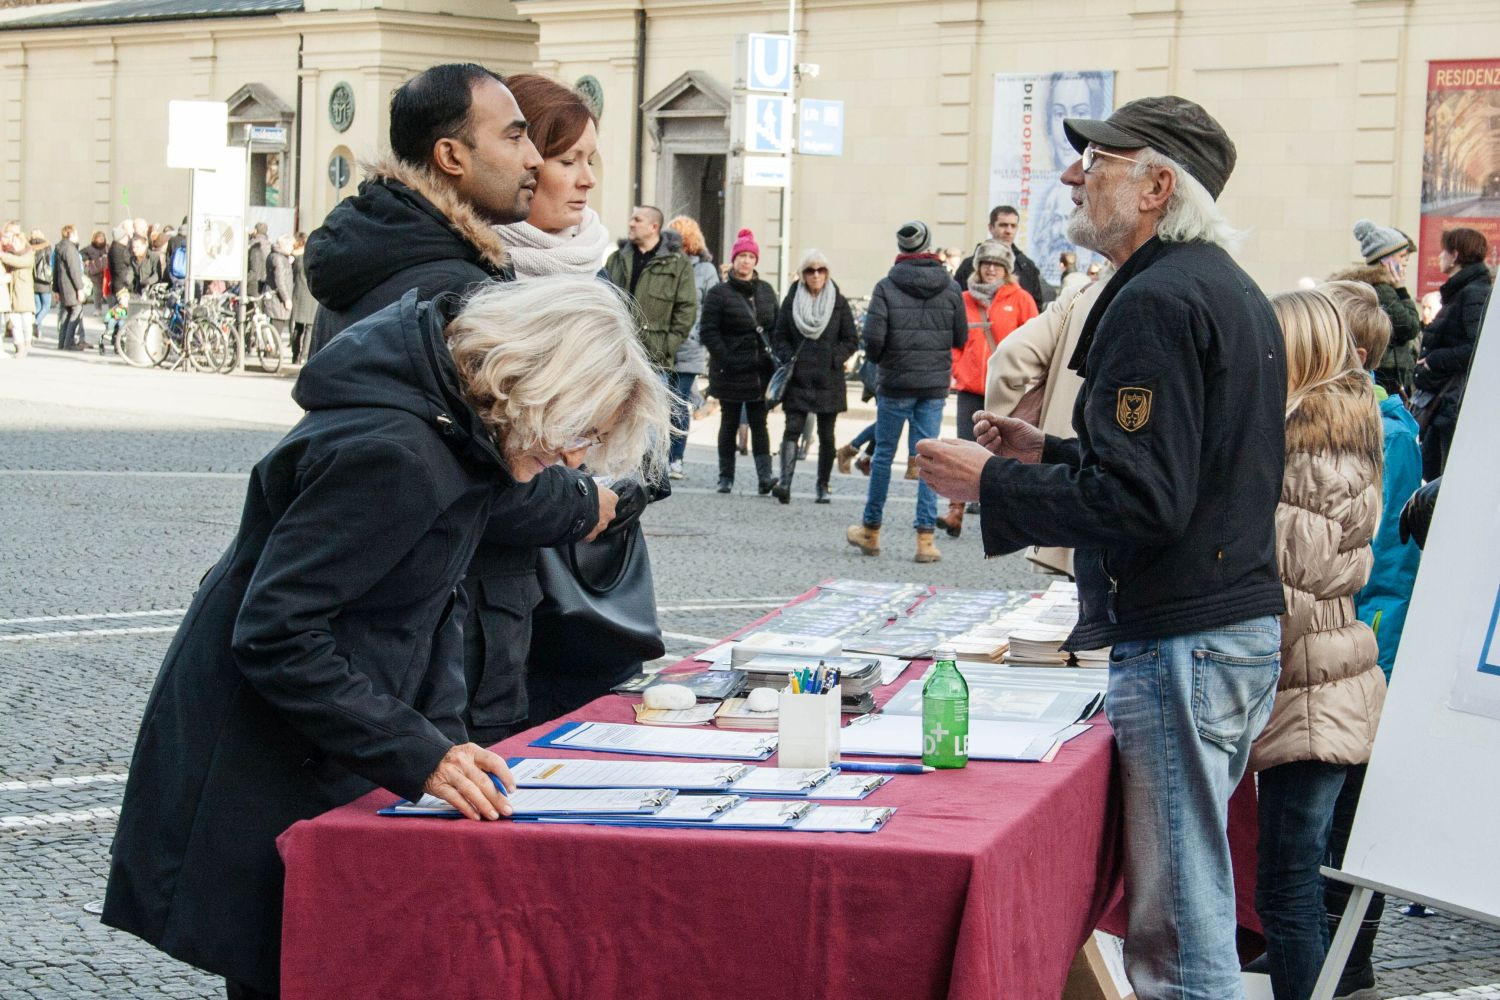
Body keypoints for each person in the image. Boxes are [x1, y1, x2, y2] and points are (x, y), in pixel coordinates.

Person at [102, 278, 670, 1000]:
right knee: (291, 967)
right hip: (264, 760)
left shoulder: (454, 430)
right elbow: (278, 633)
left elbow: (452, 576)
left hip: (327, 738)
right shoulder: (398, 451)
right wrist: (420, 753)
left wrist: (436, 740)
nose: (578, 459)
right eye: (582, 434)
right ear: (539, 389)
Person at [917, 96, 1286, 999]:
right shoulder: (1218, 284)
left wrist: (988, 484)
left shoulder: (1157, 300)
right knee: (1186, 903)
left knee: (1179, 925)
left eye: (1100, 161)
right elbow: (1181, 470)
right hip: (1227, 627)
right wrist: (1050, 452)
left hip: (1185, 636)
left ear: (1158, 185)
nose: (1074, 175)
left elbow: (1145, 500)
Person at [470, 72, 632, 745]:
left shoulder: (600, 271)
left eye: (590, 160)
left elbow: (644, 447)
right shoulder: (472, 282)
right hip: (493, 599)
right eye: (568, 160)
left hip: (579, 592)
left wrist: (610, 484)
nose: (584, 179)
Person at [1249, 288, 1385, 1000]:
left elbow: (1288, 591)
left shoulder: (1304, 452)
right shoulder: (1344, 436)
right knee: (1300, 886)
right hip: (1333, 682)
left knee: (1288, 894)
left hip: (1310, 697)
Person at [1318, 279, 1422, 997]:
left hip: (1369, 634)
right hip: (1353, 632)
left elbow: (1378, 555)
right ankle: (1327, 951)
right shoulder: (1359, 422)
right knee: (1328, 812)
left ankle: (1348, 961)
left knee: (1350, 810)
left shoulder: (1384, 432)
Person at [305, 63, 544, 356]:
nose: (535, 159)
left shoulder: (355, 256)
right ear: (450, 156)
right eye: (515, 137)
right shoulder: (463, 293)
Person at [848, 220, 966, 563]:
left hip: (896, 381)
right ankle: (925, 540)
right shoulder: (950, 287)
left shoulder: (886, 286)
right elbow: (960, 337)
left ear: (901, 249)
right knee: (927, 459)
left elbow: (872, 340)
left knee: (884, 454)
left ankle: (871, 531)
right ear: (930, 246)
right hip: (932, 384)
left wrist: (884, 359)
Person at [983, 268, 1107, 576]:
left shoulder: (1081, 296)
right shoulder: (1166, 290)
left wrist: (1005, 420)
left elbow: (1009, 359)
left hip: (1063, 461)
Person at [939, 239, 1037, 537]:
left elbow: (1035, 343)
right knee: (964, 445)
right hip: (970, 385)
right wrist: (957, 368)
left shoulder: (1020, 299)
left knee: (1002, 450)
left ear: (1006, 269)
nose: (991, 269)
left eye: (997, 265)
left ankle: (1001, 514)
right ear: (977, 267)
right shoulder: (964, 298)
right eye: (986, 264)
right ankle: (955, 510)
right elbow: (954, 340)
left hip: (1006, 387)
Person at [490, 73, 612, 283]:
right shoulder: (467, 274)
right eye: (568, 161)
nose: (589, 180)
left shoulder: (594, 266)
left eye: (589, 161)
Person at [769, 249, 859, 504]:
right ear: (802, 274)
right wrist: (789, 358)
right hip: (799, 376)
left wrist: (834, 356)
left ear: (827, 273)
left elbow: (851, 339)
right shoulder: (792, 300)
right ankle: (785, 482)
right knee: (792, 429)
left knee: (827, 434)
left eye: (821, 270)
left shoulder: (837, 301)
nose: (816, 275)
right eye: (810, 270)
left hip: (828, 376)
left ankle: (823, 484)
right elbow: (780, 337)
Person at [699, 228, 779, 494]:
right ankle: (726, 476)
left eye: (750, 256)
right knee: (729, 422)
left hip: (759, 370)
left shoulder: (766, 291)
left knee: (760, 424)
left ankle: (765, 477)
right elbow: (708, 331)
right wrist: (727, 357)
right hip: (730, 368)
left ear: (756, 261)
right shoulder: (719, 294)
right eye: (741, 256)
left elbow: (776, 326)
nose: (745, 261)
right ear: (733, 260)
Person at [1415, 226, 1491, 481]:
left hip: (1452, 401)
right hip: (1446, 400)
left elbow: (1476, 347)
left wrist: (1434, 361)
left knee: (1441, 479)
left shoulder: (1473, 293)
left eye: (1444, 251)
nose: (1439, 257)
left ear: (1455, 255)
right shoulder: (1463, 292)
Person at [603, 205, 697, 377]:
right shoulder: (616, 259)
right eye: (631, 219)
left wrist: (666, 347)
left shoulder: (677, 262)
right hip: (616, 358)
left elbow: (686, 310)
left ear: (654, 227)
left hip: (654, 362)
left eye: (637, 220)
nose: (631, 224)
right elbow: (602, 299)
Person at [1332, 220, 1421, 397]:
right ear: (1386, 259)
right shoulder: (1383, 290)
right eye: (1402, 256)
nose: (1405, 263)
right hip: (1387, 372)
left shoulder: (1367, 286)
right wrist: (1402, 289)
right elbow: (1410, 327)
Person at [666, 214, 718, 479]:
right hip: (664, 345)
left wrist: (701, 335)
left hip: (690, 345)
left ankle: (675, 458)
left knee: (678, 402)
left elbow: (712, 307)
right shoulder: (666, 264)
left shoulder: (706, 271)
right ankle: (662, 457)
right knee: (664, 403)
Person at [954, 205, 1055, 307]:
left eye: (1013, 226)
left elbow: (1035, 306)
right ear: (991, 227)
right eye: (1003, 225)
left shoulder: (1026, 266)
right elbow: (956, 302)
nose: (1008, 231)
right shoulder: (969, 265)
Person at [2, 224, 37, 359]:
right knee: (15, 324)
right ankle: (19, 347)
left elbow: (19, 262)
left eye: (16, 242)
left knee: (27, 323)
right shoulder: (9, 255)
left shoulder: (28, 255)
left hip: (25, 296)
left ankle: (27, 342)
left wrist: (3, 255)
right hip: (13, 296)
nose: (14, 244)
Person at [52, 225, 87, 352]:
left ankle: (62, 342)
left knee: (66, 314)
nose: (78, 237)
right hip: (71, 286)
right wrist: (80, 289)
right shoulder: (70, 249)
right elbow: (74, 270)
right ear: (71, 235)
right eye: (76, 234)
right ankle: (69, 342)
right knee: (76, 312)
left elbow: (56, 270)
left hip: (63, 286)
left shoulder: (59, 247)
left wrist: (55, 289)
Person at [289, 233, 317, 365]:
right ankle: (304, 356)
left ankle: (295, 355)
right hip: (311, 296)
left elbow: (293, 277)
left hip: (299, 295)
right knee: (309, 328)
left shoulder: (298, 260)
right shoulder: (313, 259)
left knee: (298, 327)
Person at [30, 230, 53, 334]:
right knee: (46, 306)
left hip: (32, 280)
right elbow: (49, 261)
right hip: (44, 281)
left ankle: (37, 331)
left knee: (38, 306)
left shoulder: (28, 246)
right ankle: (36, 323)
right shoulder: (46, 246)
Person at [82, 230, 109, 318]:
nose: (101, 240)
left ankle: (111, 308)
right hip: (95, 273)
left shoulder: (107, 247)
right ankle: (97, 308)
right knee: (97, 291)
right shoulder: (90, 248)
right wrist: (86, 260)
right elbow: (81, 253)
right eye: (99, 238)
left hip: (105, 272)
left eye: (102, 238)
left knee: (108, 291)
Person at [245, 222, 270, 298]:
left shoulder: (252, 244)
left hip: (253, 281)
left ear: (255, 230)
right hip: (265, 280)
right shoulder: (269, 244)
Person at [103, 289, 130, 354]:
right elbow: (109, 313)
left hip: (125, 323)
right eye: (122, 299)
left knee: (121, 323)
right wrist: (106, 320)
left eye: (126, 299)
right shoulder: (116, 308)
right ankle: (110, 331)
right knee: (112, 321)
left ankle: (121, 334)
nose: (124, 301)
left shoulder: (129, 308)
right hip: (116, 322)